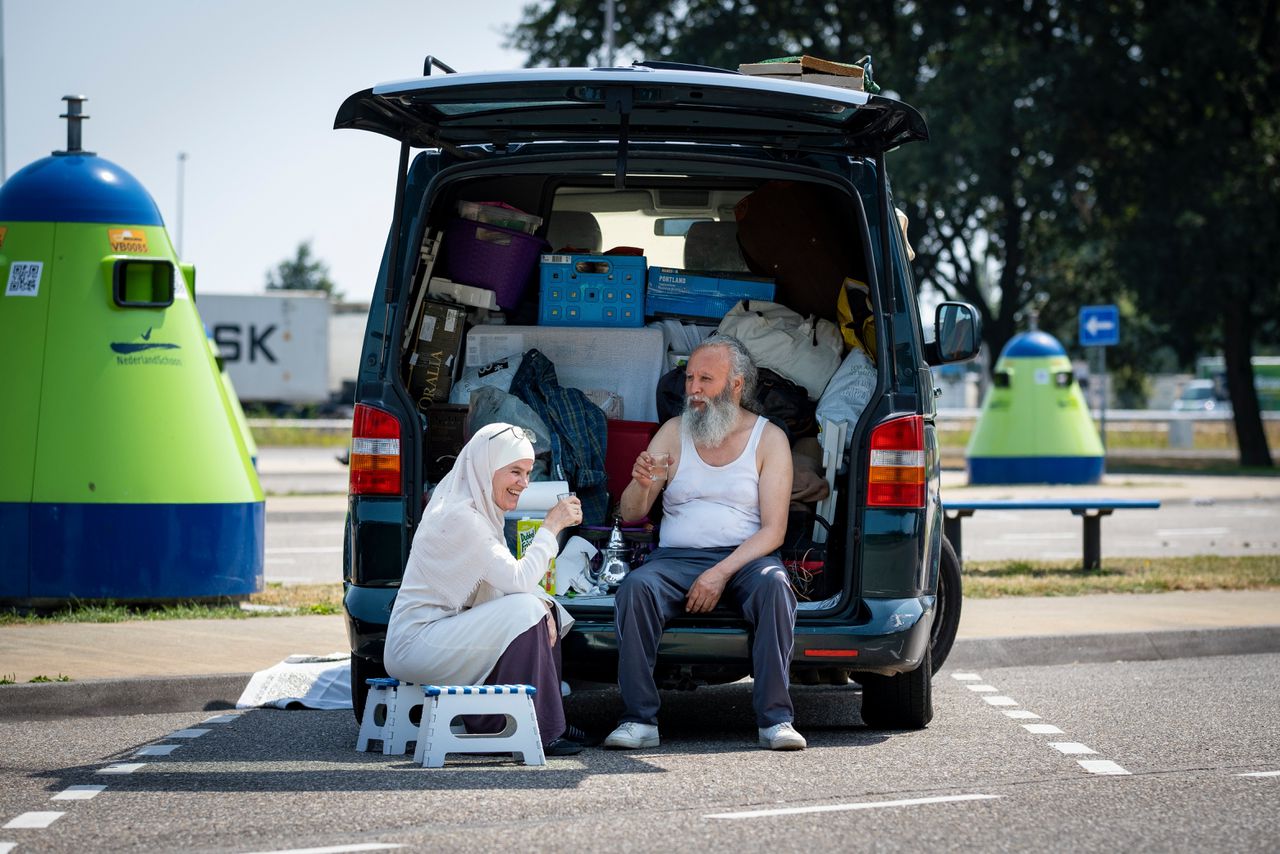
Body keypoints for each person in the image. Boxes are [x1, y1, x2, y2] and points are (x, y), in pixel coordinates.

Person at [603, 336, 806, 751]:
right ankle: (638, 719)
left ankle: (775, 720)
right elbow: (630, 513)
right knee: (636, 589)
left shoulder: (768, 439)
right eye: (690, 377)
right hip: (676, 559)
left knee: (775, 585)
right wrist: (640, 485)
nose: (692, 388)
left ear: (735, 385)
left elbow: (774, 531)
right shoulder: (673, 432)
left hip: (746, 559)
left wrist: (719, 572)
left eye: (705, 379)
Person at [383, 421, 587, 756]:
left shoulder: (474, 509)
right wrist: (551, 527)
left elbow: (508, 580)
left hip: (437, 636)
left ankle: (544, 721)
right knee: (527, 608)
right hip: (416, 644)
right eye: (514, 472)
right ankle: (520, 725)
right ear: (486, 469)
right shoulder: (460, 517)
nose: (523, 483)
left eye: (528, 472)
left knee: (539, 606)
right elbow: (519, 579)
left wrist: (543, 604)